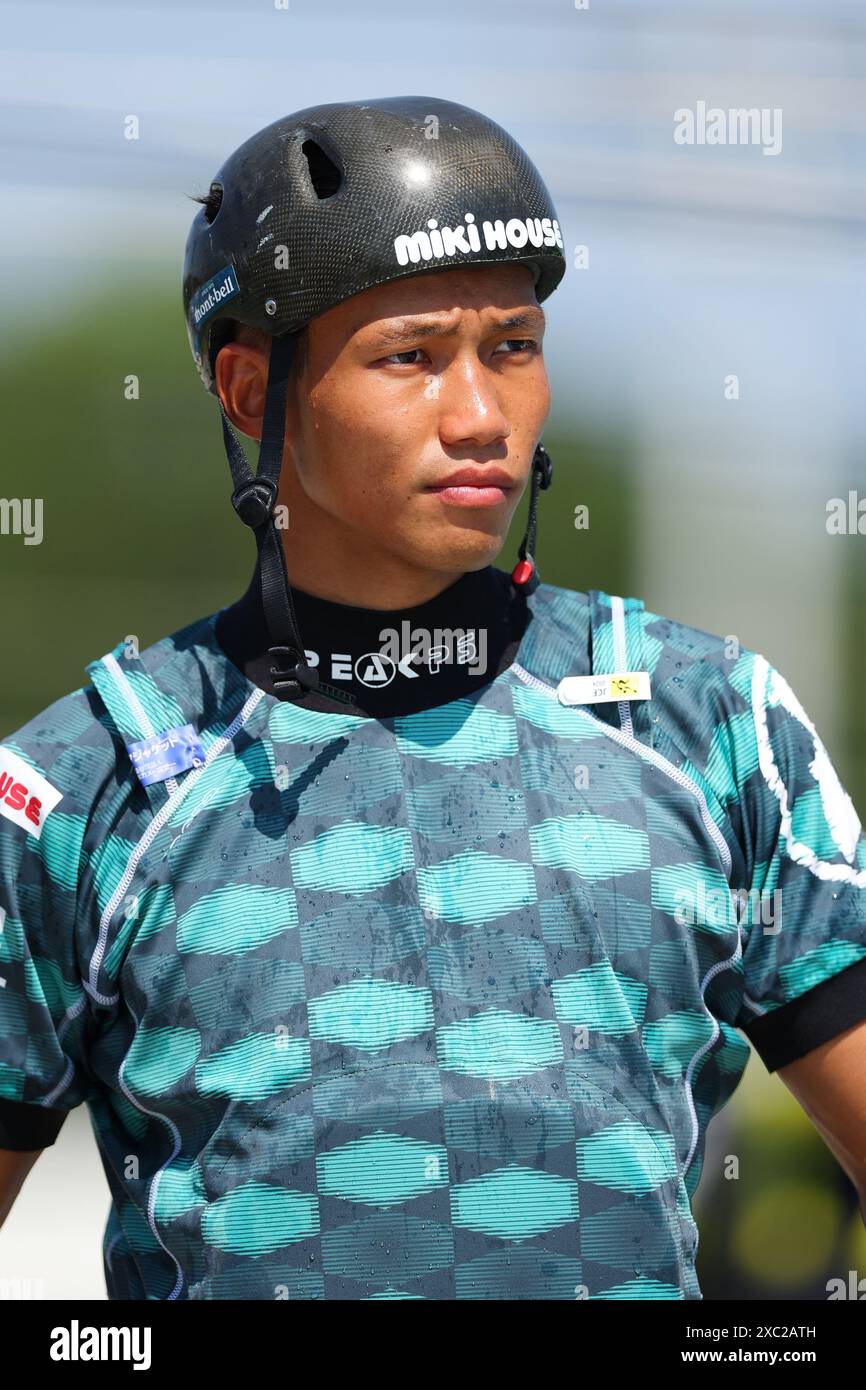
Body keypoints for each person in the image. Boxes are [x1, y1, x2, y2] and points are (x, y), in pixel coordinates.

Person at [1, 95, 865, 1302]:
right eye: (409, 358)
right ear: (251, 395)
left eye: (511, 347)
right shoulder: (79, 787)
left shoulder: (710, 724)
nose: (478, 417)